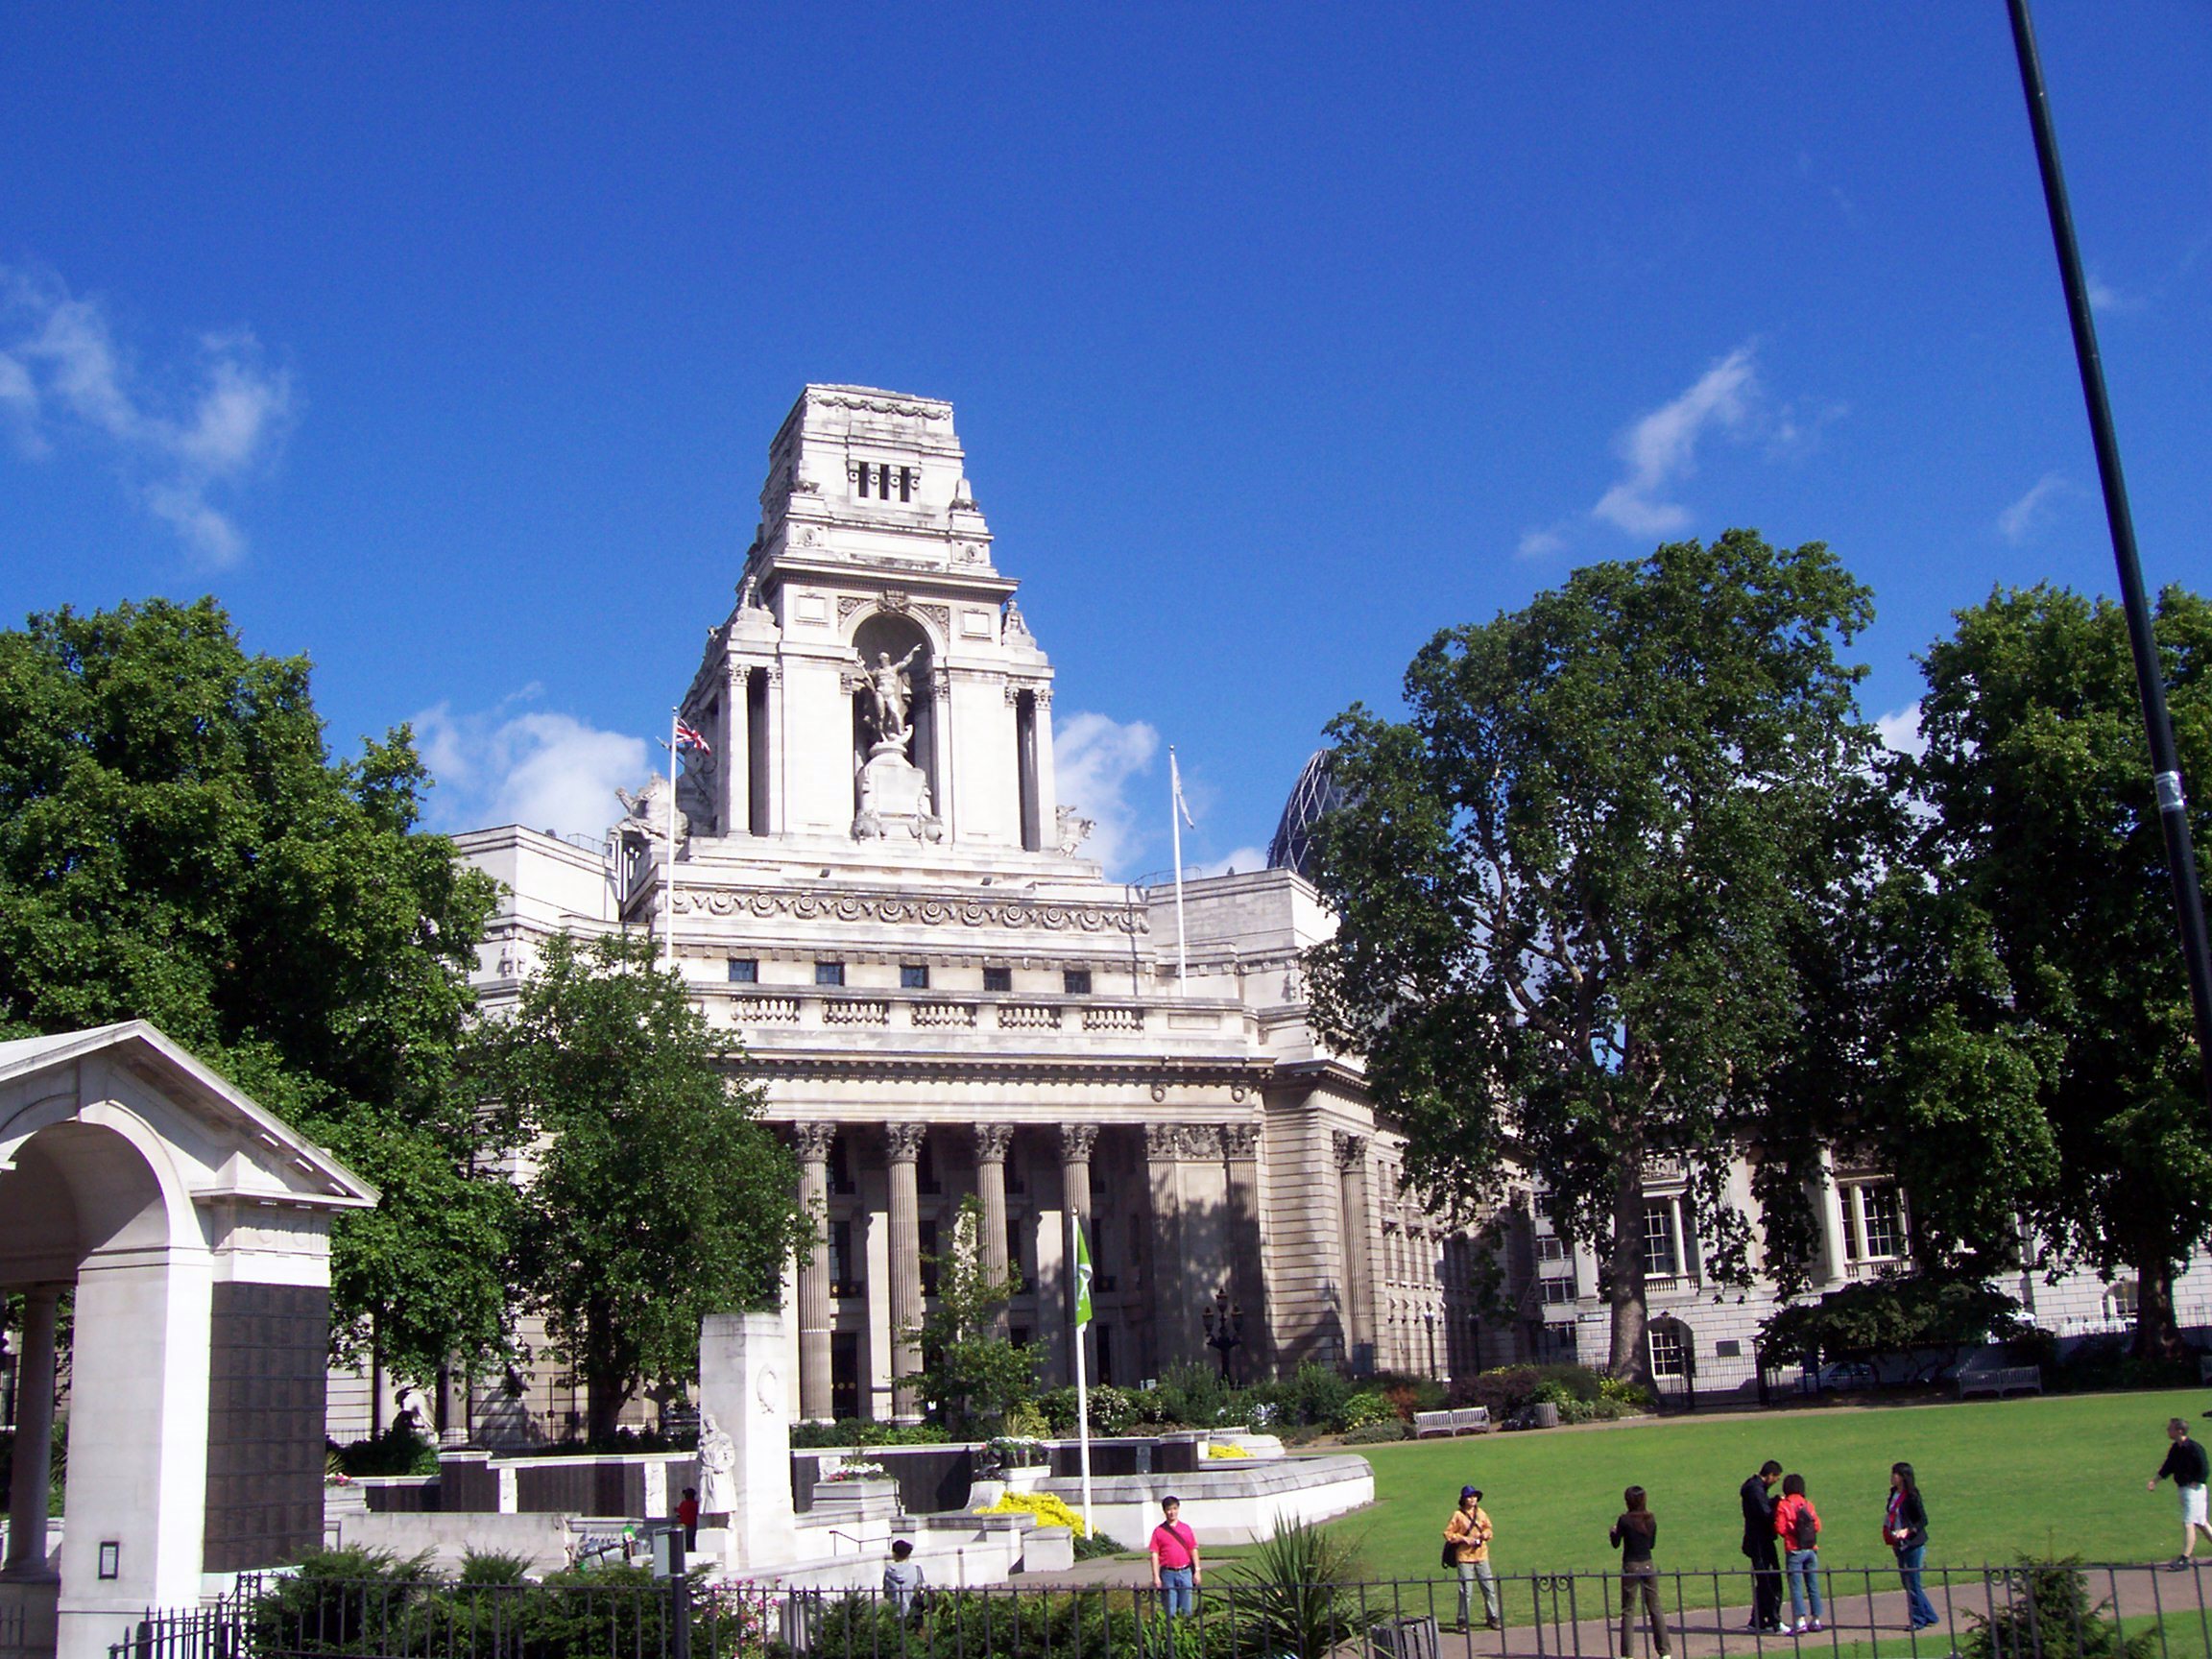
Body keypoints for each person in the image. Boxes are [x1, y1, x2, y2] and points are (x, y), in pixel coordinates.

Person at [1610, 1486, 1671, 1659]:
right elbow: (1651, 1544)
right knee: (1655, 1608)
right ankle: (1664, 1651)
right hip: (1647, 1564)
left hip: (1631, 1564)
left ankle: (1627, 1654)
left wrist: (1613, 1533)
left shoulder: (1624, 1520)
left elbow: (1616, 1543)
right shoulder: (1650, 1519)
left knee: (1628, 1610)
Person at [2148, 1417, 2212, 1569]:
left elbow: (2204, 1467)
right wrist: (2155, 1480)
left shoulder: (2194, 1448)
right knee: (2202, 1523)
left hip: (2194, 1491)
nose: (2168, 1431)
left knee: (2188, 1522)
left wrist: (2198, 1480)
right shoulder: (2176, 1448)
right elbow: (2168, 1466)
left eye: (2170, 1429)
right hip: (2184, 1489)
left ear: (2180, 1430)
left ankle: (2184, 1558)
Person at [1885, 1462, 1937, 1630]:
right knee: (1908, 1582)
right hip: (1899, 1543)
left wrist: (1908, 1531)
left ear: (1903, 1477)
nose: (1892, 1477)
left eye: (1895, 1474)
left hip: (1913, 1544)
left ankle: (1918, 1620)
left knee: (1913, 1582)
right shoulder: (1893, 1493)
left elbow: (1923, 1520)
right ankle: (1929, 1615)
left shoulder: (1912, 1495)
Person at [1444, 1484, 1503, 1631]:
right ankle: (1462, 1620)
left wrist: (1486, 1535)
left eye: (1474, 1496)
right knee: (1466, 1590)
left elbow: (1489, 1528)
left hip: (1481, 1555)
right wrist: (1464, 1539)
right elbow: (1448, 1534)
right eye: (1470, 1497)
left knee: (1488, 1587)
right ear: (1463, 1499)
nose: (1473, 1499)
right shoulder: (1457, 1515)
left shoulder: (1481, 1513)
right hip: (1464, 1556)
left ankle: (1493, 1616)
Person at [1772, 1473, 1822, 1634]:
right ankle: (1816, 1619)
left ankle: (1800, 1621)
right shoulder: (1808, 1504)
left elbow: (1780, 1528)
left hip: (1794, 1550)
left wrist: (1791, 1531)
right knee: (1813, 1585)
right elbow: (1817, 1526)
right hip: (1811, 1549)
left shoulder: (1784, 1505)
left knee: (1796, 1587)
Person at [1740, 1459, 1785, 1633]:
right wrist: (1776, 1506)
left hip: (1757, 1539)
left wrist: (1772, 1501)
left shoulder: (1755, 1489)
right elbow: (1765, 1515)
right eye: (1776, 1478)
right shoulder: (1755, 1491)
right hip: (1760, 1541)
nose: (1776, 1482)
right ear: (1770, 1475)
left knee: (1764, 1579)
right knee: (1770, 1580)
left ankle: (1757, 1620)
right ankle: (1774, 1621)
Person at [1150, 1495, 1202, 1618]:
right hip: (1168, 1573)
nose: (1172, 1512)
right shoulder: (1159, 1531)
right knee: (1170, 1610)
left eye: (1174, 1508)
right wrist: (1156, 1576)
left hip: (1185, 1571)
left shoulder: (1186, 1529)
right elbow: (1154, 1554)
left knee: (1186, 1609)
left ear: (1178, 1509)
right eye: (1169, 1509)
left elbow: (1193, 1549)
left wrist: (1197, 1571)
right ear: (1164, 1511)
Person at [883, 1538, 926, 1617]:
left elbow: (886, 1593)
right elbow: (921, 1590)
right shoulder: (916, 1569)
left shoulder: (888, 1571)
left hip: (896, 1613)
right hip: (913, 1612)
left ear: (894, 1554)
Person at [676, 1486, 701, 1553]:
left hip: (685, 1526)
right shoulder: (696, 1504)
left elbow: (680, 1512)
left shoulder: (684, 1504)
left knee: (686, 1541)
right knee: (692, 1541)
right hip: (694, 1525)